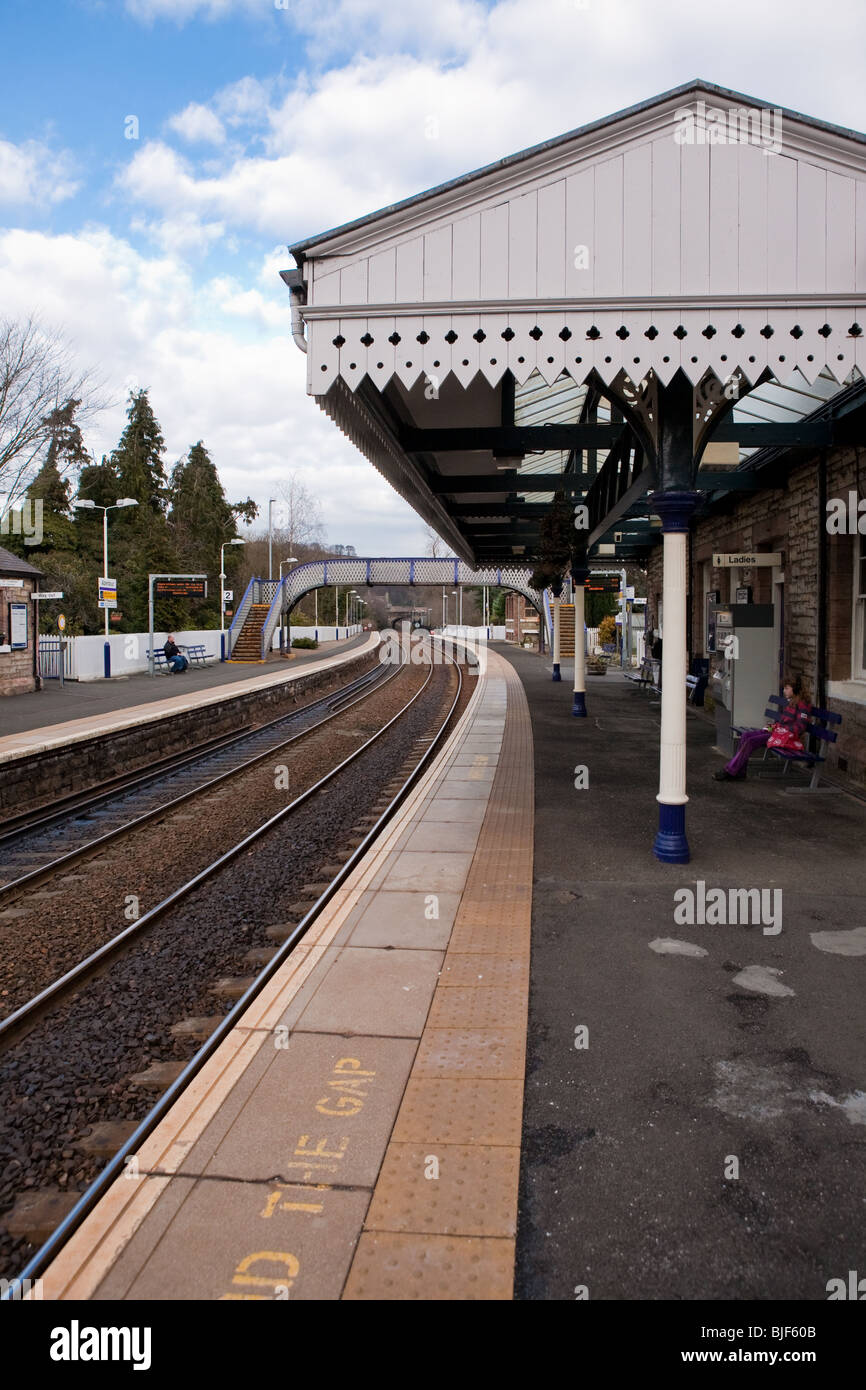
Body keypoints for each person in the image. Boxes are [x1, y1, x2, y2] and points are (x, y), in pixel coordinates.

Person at [714, 675, 810, 781]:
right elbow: (784, 722)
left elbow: (800, 727)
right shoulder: (791, 702)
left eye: (786, 688)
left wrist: (783, 730)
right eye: (784, 688)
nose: (784, 691)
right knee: (746, 735)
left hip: (787, 738)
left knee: (751, 741)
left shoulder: (802, 705)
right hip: (778, 733)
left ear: (795, 689)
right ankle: (740, 772)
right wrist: (774, 728)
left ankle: (730, 770)